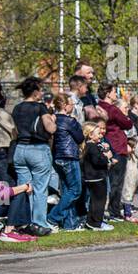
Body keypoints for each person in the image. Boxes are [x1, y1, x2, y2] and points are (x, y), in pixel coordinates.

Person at [10, 77, 57, 234]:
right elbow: (50, 129)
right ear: (36, 92)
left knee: (25, 188)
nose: (42, 93)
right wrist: (53, 120)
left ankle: (24, 222)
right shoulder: (40, 107)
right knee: (40, 189)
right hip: (37, 149)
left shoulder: (17, 108)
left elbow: (14, 131)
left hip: (20, 149)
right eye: (41, 89)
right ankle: (39, 223)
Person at [47, 92, 84, 231]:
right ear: (65, 105)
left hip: (57, 157)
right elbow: (80, 138)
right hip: (69, 157)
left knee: (67, 191)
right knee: (75, 191)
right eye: (71, 104)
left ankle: (70, 224)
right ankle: (52, 218)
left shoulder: (53, 119)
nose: (73, 106)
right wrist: (75, 122)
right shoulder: (70, 120)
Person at [96, 83, 133, 220]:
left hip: (103, 145)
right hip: (117, 146)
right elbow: (127, 124)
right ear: (107, 94)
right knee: (116, 182)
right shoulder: (112, 109)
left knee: (104, 181)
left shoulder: (97, 107)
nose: (116, 94)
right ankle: (114, 211)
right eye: (113, 92)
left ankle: (103, 210)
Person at [81, 121, 114, 230]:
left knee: (94, 201)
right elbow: (97, 161)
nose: (101, 135)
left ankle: (91, 222)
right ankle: (95, 223)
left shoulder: (91, 146)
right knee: (99, 202)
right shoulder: (92, 147)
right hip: (97, 178)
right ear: (90, 135)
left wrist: (103, 149)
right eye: (98, 133)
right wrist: (107, 157)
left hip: (92, 178)